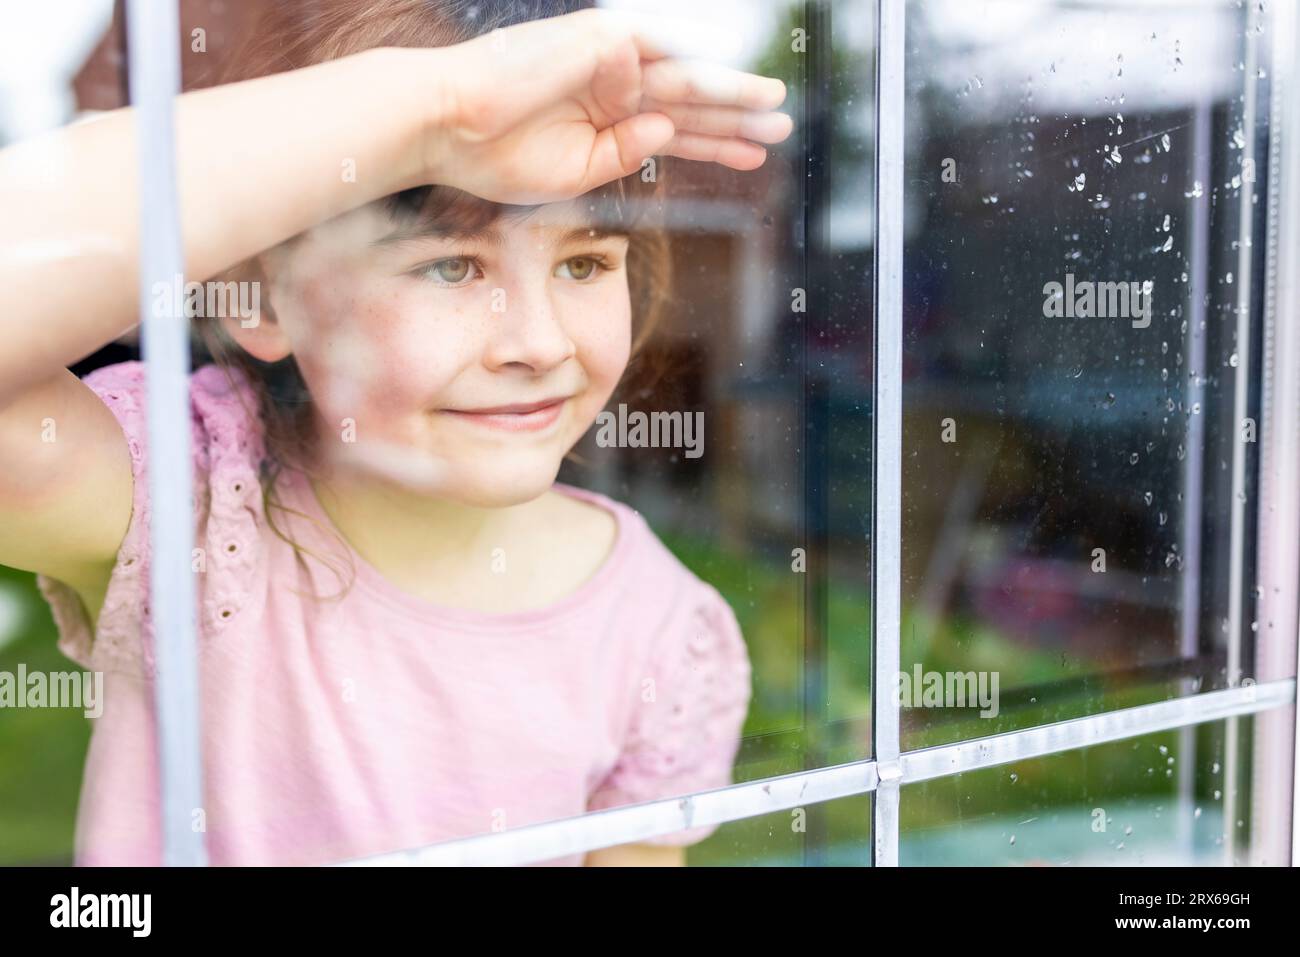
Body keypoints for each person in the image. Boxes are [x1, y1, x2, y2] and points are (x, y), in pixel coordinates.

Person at [0, 0, 792, 865]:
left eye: (583, 262)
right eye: (452, 265)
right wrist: (440, 108)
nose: (539, 342)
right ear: (264, 295)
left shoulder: (661, 632)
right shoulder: (192, 511)